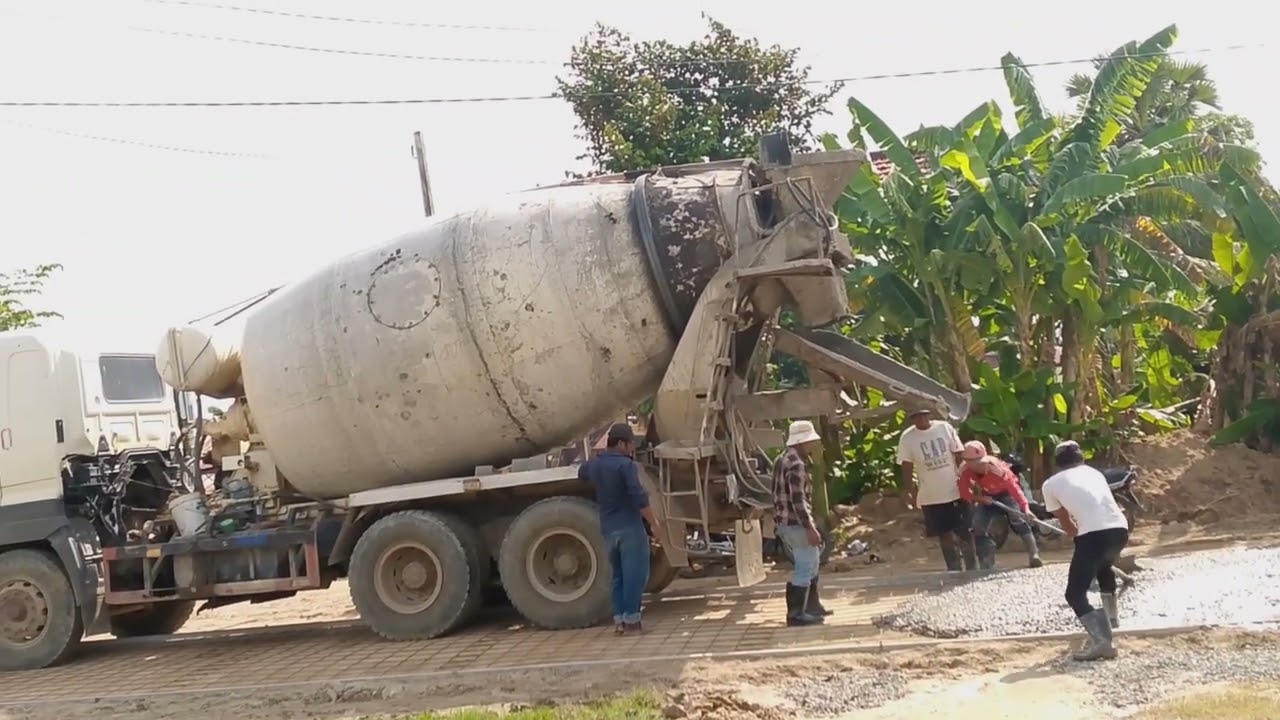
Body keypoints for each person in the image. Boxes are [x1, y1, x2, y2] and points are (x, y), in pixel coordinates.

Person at [1042, 439, 1130, 661]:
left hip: (1093, 535)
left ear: (1057, 462)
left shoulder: (1050, 484)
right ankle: (1112, 621)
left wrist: (1075, 534)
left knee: (1074, 594)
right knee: (1104, 567)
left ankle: (1102, 642)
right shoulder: (1094, 474)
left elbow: (1066, 522)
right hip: (1120, 529)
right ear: (1080, 457)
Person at [578, 423, 657, 635]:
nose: (632, 448)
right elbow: (639, 497)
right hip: (630, 528)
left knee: (618, 576)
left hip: (608, 529)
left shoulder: (596, 465)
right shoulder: (626, 466)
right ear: (621, 444)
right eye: (630, 444)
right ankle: (633, 622)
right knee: (635, 576)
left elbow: (581, 472)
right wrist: (653, 523)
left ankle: (620, 622)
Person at [897, 408, 976, 572]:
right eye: (917, 417)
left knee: (965, 530)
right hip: (931, 494)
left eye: (924, 416)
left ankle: (972, 568)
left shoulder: (944, 428)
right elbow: (906, 464)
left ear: (929, 416)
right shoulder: (908, 437)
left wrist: (965, 479)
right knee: (944, 533)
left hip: (955, 489)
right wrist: (909, 489)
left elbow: (958, 453)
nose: (921, 420)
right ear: (912, 419)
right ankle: (953, 569)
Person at [772, 419, 830, 627]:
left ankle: (811, 606)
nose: (813, 444)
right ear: (802, 442)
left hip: (784, 521)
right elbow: (798, 501)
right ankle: (796, 614)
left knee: (812, 561)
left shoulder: (782, 458)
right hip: (795, 523)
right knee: (806, 565)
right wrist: (810, 527)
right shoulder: (797, 464)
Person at [957, 441, 1043, 569]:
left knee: (1017, 519)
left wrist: (1025, 508)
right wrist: (980, 498)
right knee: (977, 526)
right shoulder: (964, 471)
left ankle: (1033, 554)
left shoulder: (997, 469)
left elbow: (1014, 489)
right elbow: (964, 494)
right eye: (974, 463)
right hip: (987, 496)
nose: (980, 466)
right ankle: (986, 560)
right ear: (967, 462)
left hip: (1006, 494)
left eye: (981, 462)